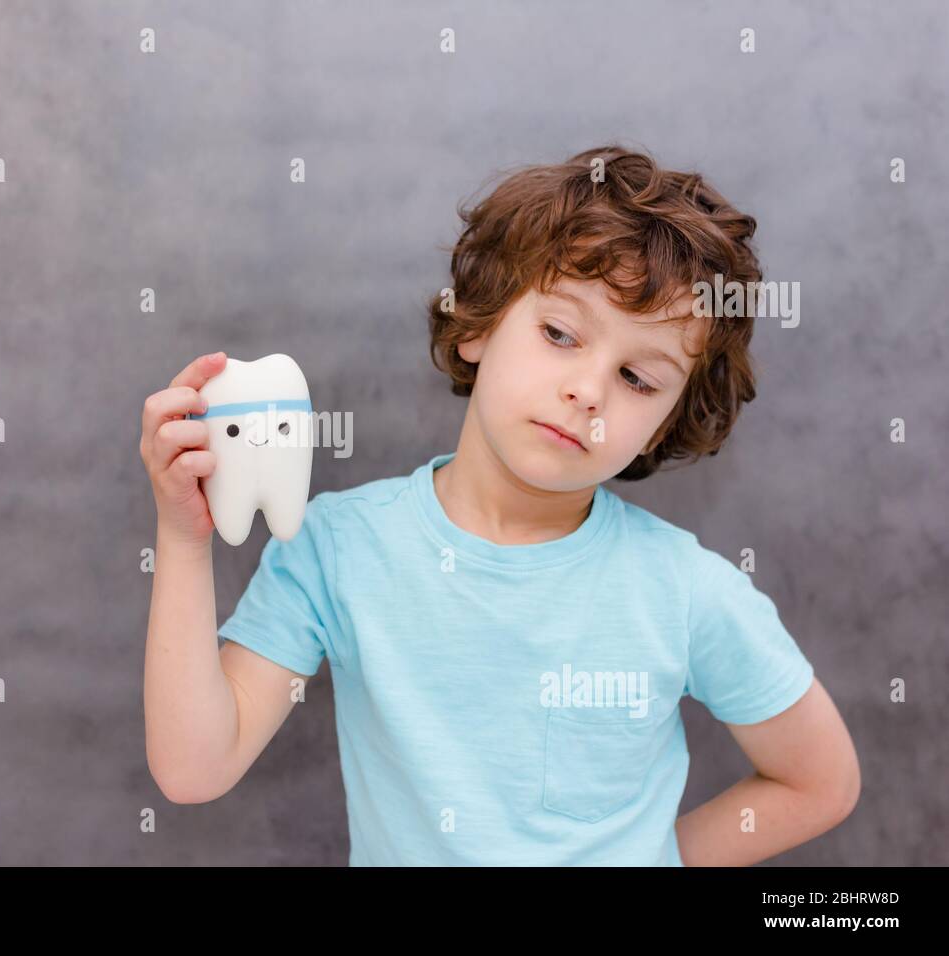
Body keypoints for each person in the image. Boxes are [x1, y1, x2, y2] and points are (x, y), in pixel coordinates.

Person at [139, 144, 861, 866]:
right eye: (559, 334)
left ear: (667, 421)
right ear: (480, 323)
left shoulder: (687, 591)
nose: (587, 390)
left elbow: (818, 782)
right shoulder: (337, 548)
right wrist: (181, 534)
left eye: (638, 378)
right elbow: (195, 768)